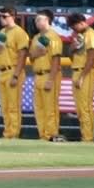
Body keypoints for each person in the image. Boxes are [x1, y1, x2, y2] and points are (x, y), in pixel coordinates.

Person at [0, 8, 30, 141]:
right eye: (0, 16)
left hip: (12, 70)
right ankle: (7, 132)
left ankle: (14, 133)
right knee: (5, 106)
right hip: (1, 70)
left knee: (13, 106)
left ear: (13, 16)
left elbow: (22, 55)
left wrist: (16, 75)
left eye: (4, 16)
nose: (1, 19)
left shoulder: (19, 33)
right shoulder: (1, 32)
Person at [28, 11, 64, 143]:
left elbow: (56, 60)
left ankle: (51, 134)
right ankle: (42, 134)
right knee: (39, 107)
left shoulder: (53, 37)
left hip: (49, 73)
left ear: (47, 20)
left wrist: (51, 79)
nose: (37, 22)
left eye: (40, 20)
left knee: (50, 107)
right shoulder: (37, 37)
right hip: (38, 74)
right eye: (36, 20)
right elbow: (31, 56)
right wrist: (36, 53)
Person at [70, 15, 94, 143]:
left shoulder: (92, 35)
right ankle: (85, 135)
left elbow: (91, 58)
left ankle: (88, 137)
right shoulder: (79, 36)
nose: (75, 29)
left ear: (82, 23)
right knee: (79, 108)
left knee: (85, 107)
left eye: (75, 26)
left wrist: (82, 76)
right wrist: (72, 48)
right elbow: (72, 55)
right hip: (76, 70)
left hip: (86, 72)